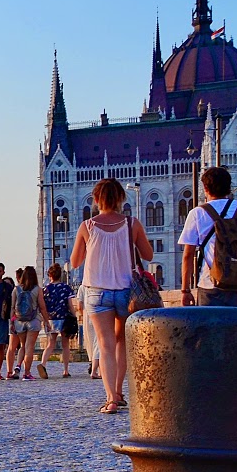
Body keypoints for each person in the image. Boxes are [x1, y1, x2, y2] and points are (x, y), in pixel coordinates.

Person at [70, 177, 153, 414]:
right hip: (126, 291)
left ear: (96, 200)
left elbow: (75, 261)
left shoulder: (87, 226)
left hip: (97, 292)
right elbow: (148, 254)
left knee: (105, 345)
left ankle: (111, 399)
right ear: (121, 199)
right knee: (121, 342)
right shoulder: (132, 224)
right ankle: (118, 391)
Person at [181, 166, 237, 307]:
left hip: (210, 286)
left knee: (208, 322)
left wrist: (185, 290)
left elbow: (188, 255)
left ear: (205, 188)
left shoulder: (197, 213)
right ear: (229, 188)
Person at [10, 266, 48, 380]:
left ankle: (18, 366)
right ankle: (27, 373)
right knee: (29, 347)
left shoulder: (16, 289)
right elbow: (42, 307)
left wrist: (12, 322)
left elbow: (12, 307)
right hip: (33, 320)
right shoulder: (37, 289)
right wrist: (46, 321)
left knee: (23, 346)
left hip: (19, 321)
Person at [38, 262, 75, 378]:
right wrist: (74, 316)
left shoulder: (45, 289)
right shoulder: (66, 288)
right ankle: (65, 370)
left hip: (50, 319)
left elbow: (42, 306)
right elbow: (70, 304)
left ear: (50, 275)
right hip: (64, 318)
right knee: (65, 344)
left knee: (51, 343)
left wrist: (44, 319)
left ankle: (43, 364)